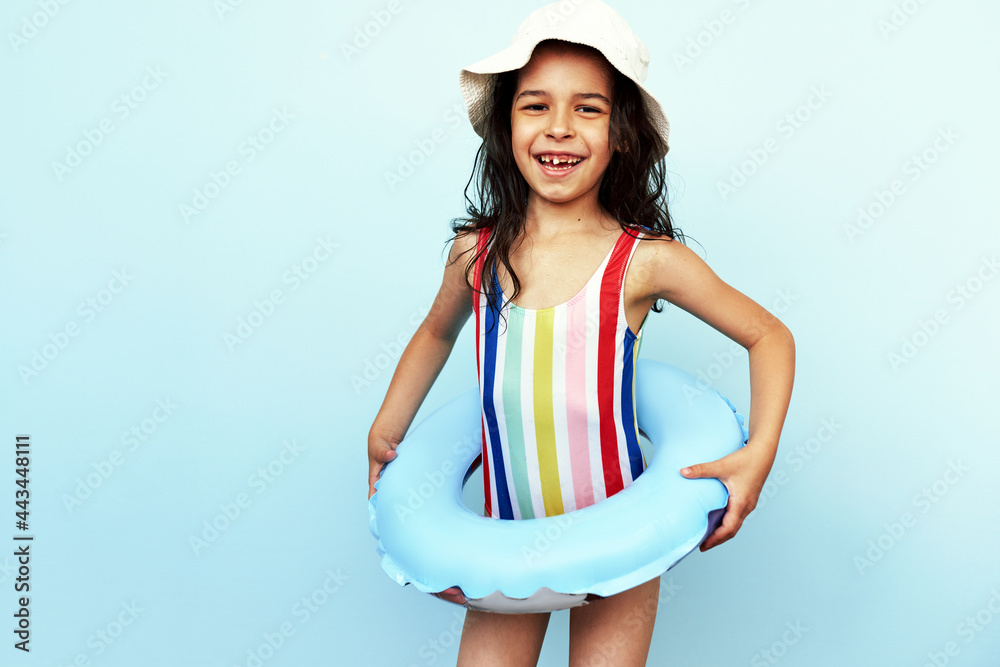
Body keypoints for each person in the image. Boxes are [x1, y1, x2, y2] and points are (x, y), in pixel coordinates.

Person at [367, 1, 795, 664]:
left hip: (619, 539)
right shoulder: (474, 255)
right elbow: (434, 332)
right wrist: (387, 428)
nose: (559, 129)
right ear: (506, 124)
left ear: (621, 131)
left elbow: (769, 334)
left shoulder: (644, 262)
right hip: (507, 537)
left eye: (587, 108)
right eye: (535, 105)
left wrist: (758, 454)